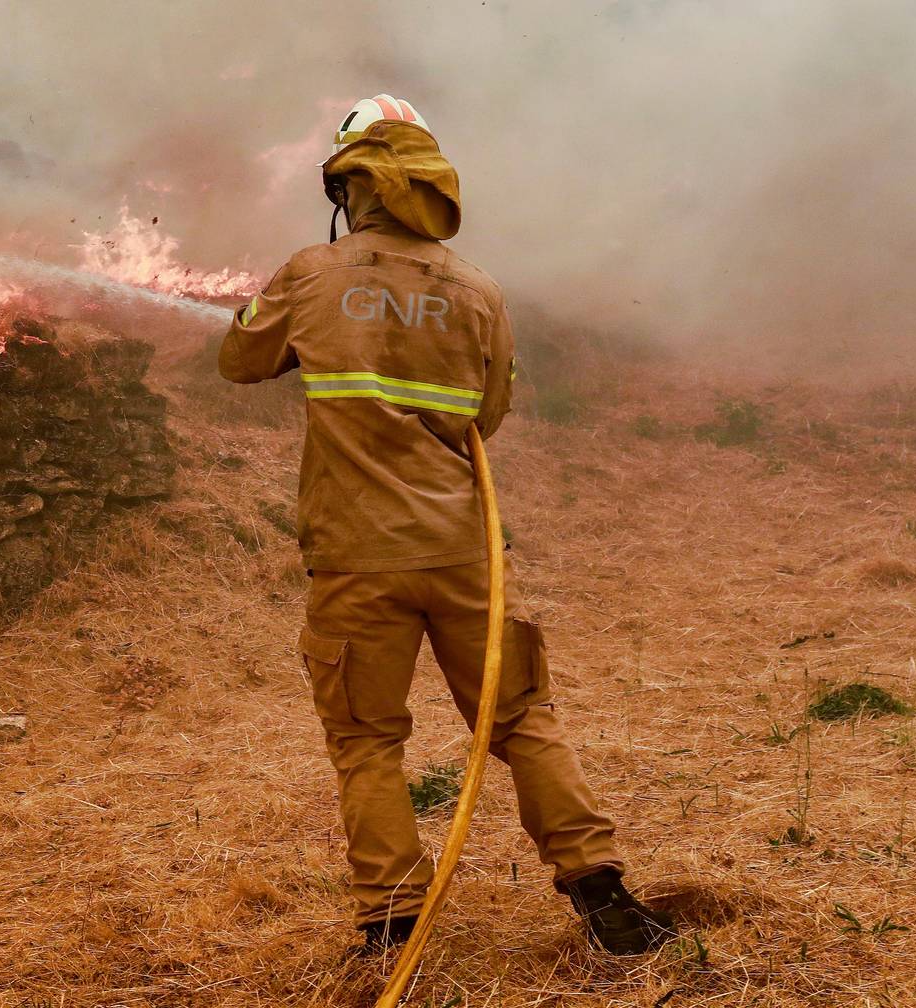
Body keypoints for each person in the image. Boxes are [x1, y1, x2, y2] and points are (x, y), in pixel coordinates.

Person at [218, 95, 674, 956]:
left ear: (354, 185)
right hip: (465, 551)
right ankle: (604, 898)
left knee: (366, 742)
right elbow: (488, 416)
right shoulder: (479, 291)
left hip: (356, 557)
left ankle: (393, 931)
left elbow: (238, 361)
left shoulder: (314, 273)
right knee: (522, 720)